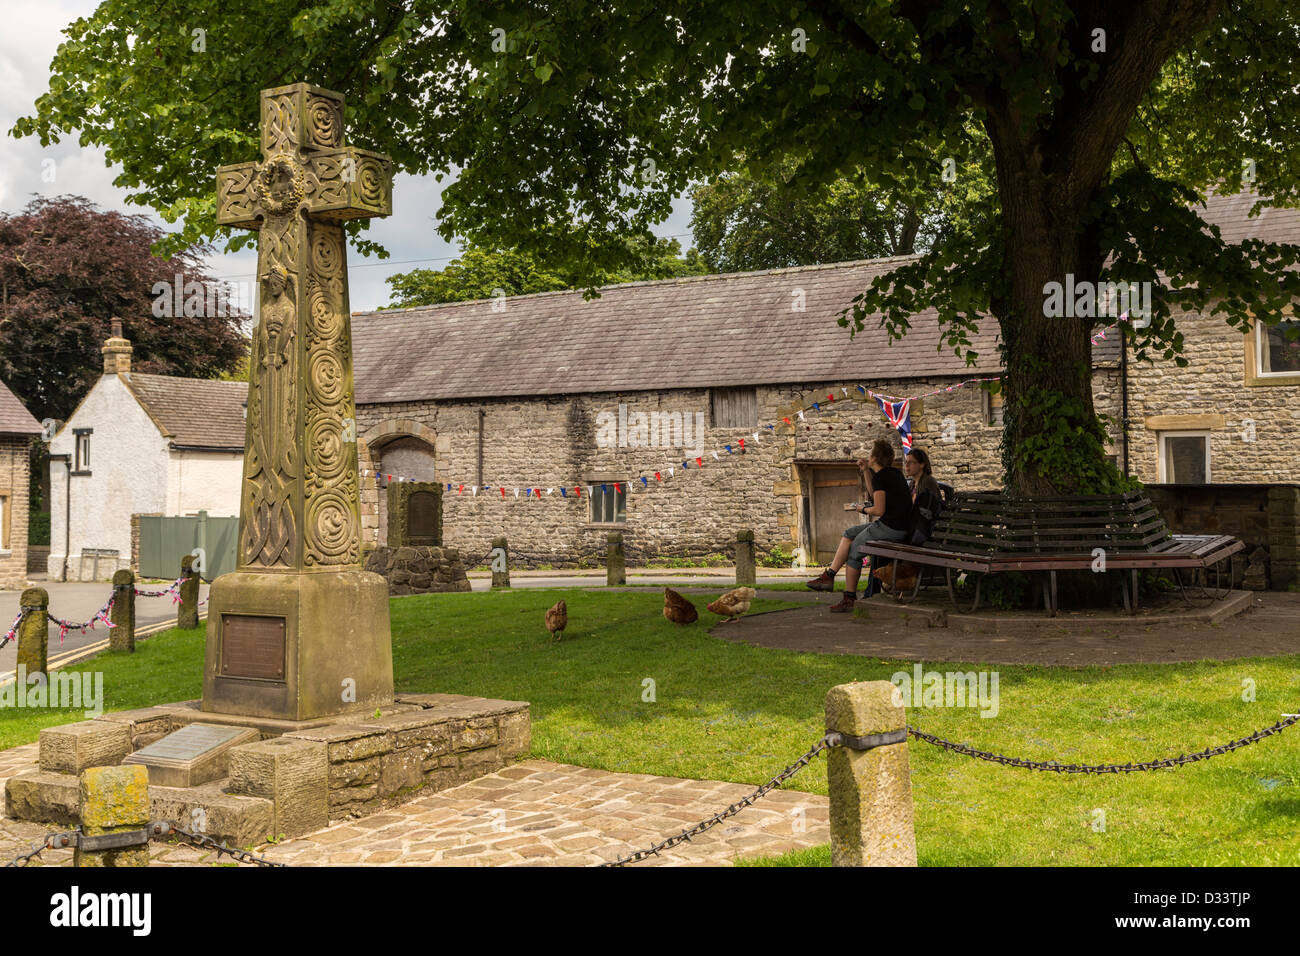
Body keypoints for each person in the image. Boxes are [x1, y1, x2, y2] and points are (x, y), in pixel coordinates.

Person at [805, 439, 911, 611]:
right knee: (849, 533)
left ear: (875, 457)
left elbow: (878, 510)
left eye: (870, 452)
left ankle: (849, 599)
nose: (868, 455)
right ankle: (829, 575)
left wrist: (862, 509)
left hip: (891, 528)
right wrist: (866, 471)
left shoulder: (883, 477)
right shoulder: (892, 474)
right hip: (898, 526)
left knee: (855, 551)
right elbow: (873, 493)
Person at [874, 446, 945, 593]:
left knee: (882, 542)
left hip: (924, 533)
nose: (906, 466)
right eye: (906, 462)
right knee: (879, 544)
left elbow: (930, 510)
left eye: (911, 462)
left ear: (922, 464)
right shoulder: (911, 484)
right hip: (911, 529)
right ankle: (877, 587)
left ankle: (884, 585)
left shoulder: (928, 482)